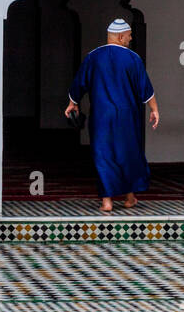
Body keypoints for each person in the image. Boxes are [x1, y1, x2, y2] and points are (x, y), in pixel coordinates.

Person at [64, 18, 160, 212]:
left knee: (103, 155)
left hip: (102, 116)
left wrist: (72, 103)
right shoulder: (133, 58)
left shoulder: (93, 57)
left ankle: (107, 202)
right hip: (127, 116)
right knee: (128, 153)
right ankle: (129, 197)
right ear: (121, 36)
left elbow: (79, 83)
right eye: (130, 35)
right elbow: (145, 89)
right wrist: (154, 109)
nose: (131, 38)